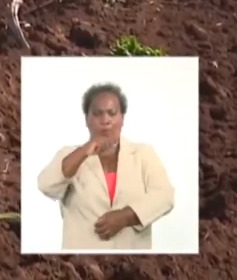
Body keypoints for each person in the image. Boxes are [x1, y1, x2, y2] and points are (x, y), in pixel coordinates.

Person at [36, 83, 175, 251]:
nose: (105, 120)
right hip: (82, 263)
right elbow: (46, 185)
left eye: (112, 113)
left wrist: (126, 216)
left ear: (122, 118)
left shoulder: (143, 154)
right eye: (97, 114)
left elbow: (165, 196)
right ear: (87, 119)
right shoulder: (71, 156)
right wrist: (85, 151)